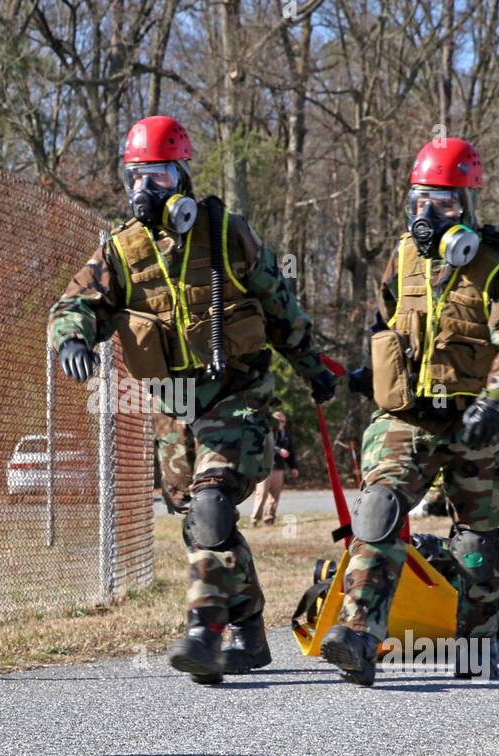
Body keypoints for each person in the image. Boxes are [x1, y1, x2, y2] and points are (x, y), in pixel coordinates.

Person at [47, 115, 336, 684]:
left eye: (155, 177)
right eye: (134, 177)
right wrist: (73, 336)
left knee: (210, 507)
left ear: (181, 175)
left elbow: (280, 307)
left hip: (239, 399)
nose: (143, 191)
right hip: (173, 408)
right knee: (204, 523)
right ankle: (250, 633)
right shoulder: (122, 250)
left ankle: (204, 631)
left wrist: (313, 369)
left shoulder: (227, 232)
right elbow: (71, 305)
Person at [330, 137, 499, 684]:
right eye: (422, 200)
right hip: (411, 419)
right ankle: (358, 635)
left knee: (476, 548)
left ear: (468, 206)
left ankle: (479, 630)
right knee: (379, 509)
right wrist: (372, 375)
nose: (429, 215)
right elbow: (385, 326)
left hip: (480, 423)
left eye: (444, 204)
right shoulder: (403, 258)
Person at [250, 410, 297, 526]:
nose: (282, 423)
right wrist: (278, 450)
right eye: (280, 421)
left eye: (284, 421)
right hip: (265, 468)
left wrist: (293, 467)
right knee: (262, 494)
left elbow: (291, 452)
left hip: (279, 468)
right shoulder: (266, 432)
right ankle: (255, 520)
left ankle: (269, 518)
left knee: (275, 496)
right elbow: (265, 444)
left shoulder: (285, 434)